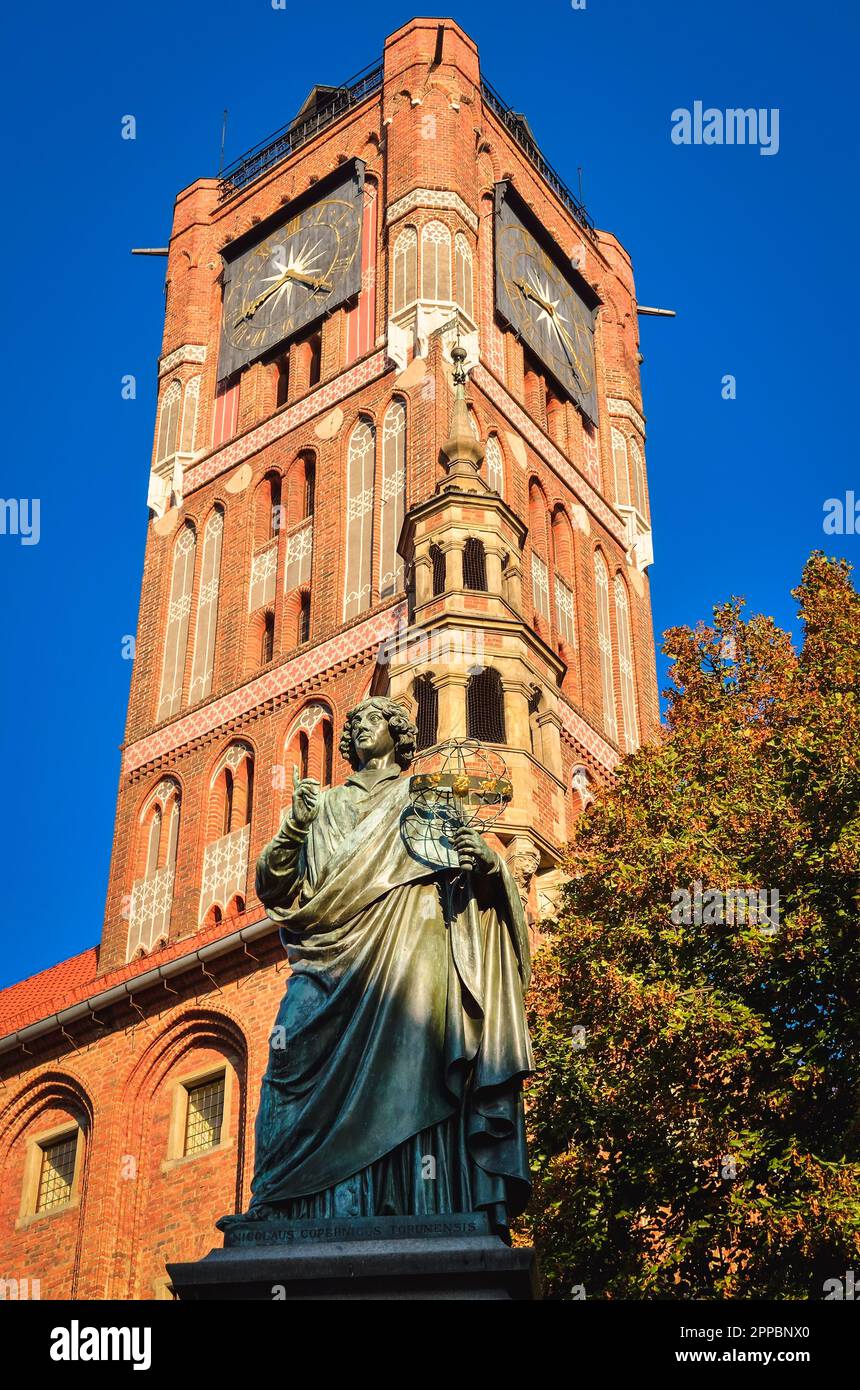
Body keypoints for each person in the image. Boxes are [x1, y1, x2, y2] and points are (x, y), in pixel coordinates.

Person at [228, 696, 533, 1238]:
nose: (359, 728)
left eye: (371, 720)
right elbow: (274, 888)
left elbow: (470, 879)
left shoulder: (425, 798)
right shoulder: (321, 807)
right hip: (327, 957)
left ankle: (422, 1203)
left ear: (398, 735)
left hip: (412, 950)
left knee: (412, 1067)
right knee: (288, 1058)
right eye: (354, 724)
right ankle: (279, 1199)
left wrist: (489, 867)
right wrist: (294, 829)